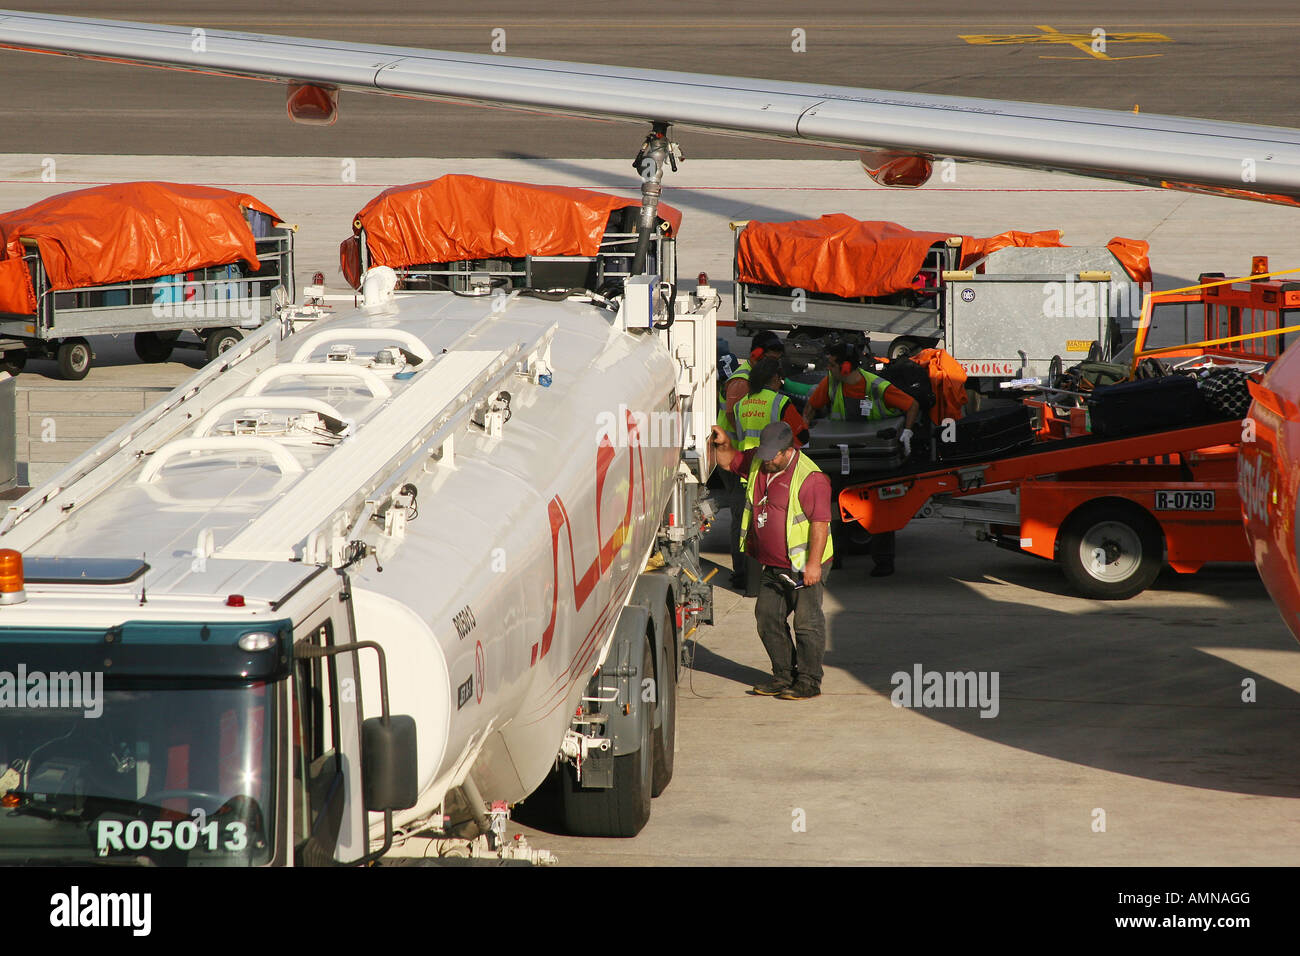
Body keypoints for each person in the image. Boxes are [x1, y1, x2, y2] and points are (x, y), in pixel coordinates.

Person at [711, 420, 833, 701]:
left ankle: (808, 680)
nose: (766, 461)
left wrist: (813, 565)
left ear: (788, 451)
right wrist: (724, 443)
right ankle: (783, 675)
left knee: (806, 622)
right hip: (773, 562)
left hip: (804, 564)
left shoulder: (810, 478)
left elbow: (820, 524)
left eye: (772, 456)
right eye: (763, 455)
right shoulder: (759, 460)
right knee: (766, 617)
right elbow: (730, 462)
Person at [805, 341, 919, 576]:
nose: (829, 367)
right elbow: (811, 407)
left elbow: (912, 405)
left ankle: (883, 562)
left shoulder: (877, 386)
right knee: (834, 506)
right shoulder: (831, 382)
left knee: (878, 508)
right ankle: (833, 557)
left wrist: (907, 432)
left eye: (832, 363)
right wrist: (804, 430)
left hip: (873, 456)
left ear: (845, 367)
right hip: (841, 455)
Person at [716, 330, 784, 593]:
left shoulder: (757, 380)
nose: (775, 368)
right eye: (770, 360)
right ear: (757, 356)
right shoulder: (741, 383)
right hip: (735, 458)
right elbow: (739, 423)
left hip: (748, 457)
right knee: (740, 516)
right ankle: (742, 573)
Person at [733, 357, 811, 451]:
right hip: (771, 460)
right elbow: (802, 437)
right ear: (775, 377)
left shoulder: (739, 405)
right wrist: (805, 422)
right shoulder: (780, 402)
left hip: (746, 461)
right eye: (780, 378)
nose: (780, 383)